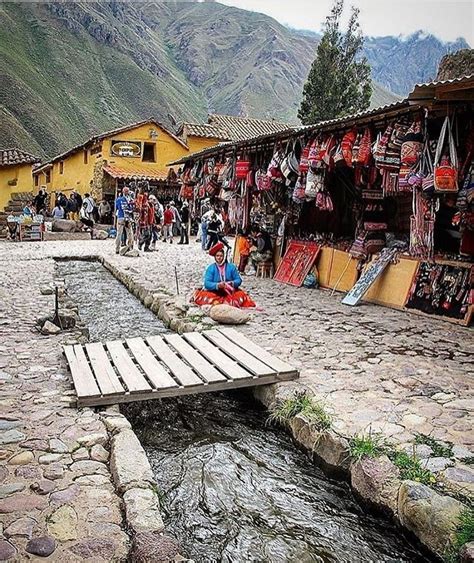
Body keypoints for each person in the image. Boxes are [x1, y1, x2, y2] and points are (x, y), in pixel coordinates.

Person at [193, 242, 256, 308]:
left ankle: (221, 303)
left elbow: (238, 280)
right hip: (214, 292)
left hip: (229, 292)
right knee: (204, 296)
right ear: (215, 257)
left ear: (224, 256)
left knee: (241, 295)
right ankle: (222, 303)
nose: (219, 258)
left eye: (221, 256)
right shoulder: (211, 268)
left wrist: (231, 283)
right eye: (217, 256)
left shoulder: (231, 267)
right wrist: (217, 285)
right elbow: (207, 283)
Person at [115, 187, 134, 254]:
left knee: (119, 233)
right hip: (128, 218)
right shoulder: (130, 200)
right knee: (130, 233)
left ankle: (117, 249)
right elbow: (132, 209)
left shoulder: (118, 199)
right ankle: (130, 247)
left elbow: (116, 208)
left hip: (120, 217)